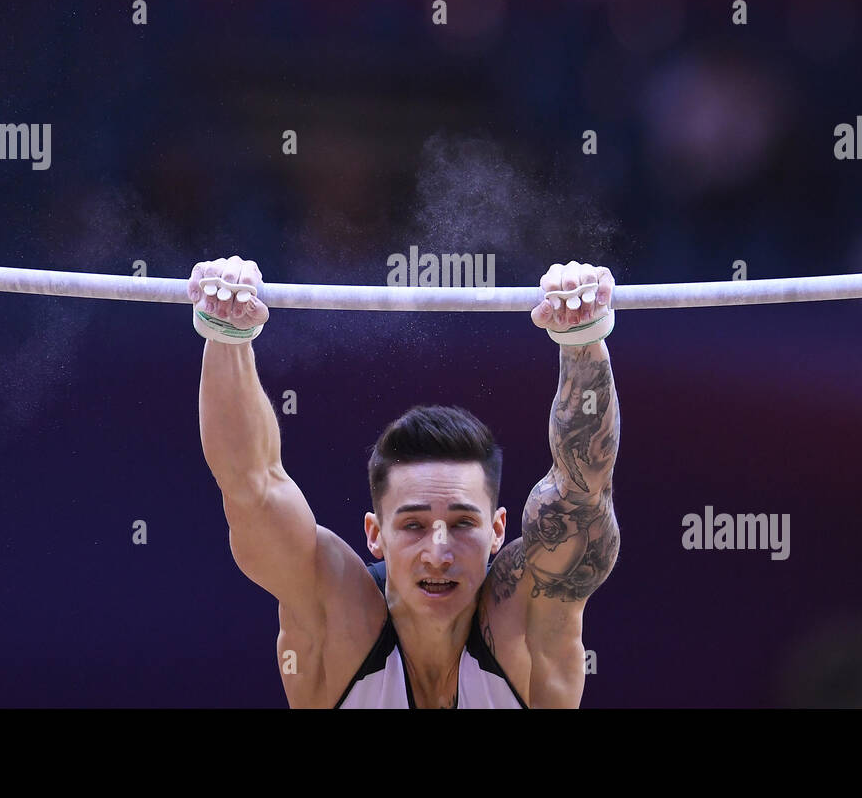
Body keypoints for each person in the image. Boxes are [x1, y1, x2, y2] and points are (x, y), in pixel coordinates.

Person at [191, 257, 621, 708]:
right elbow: (250, 486)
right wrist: (227, 335)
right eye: (414, 525)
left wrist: (582, 341)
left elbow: (581, 490)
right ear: (375, 534)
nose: (438, 554)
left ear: (497, 531)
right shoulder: (338, 618)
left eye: (461, 524)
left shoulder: (525, 619)